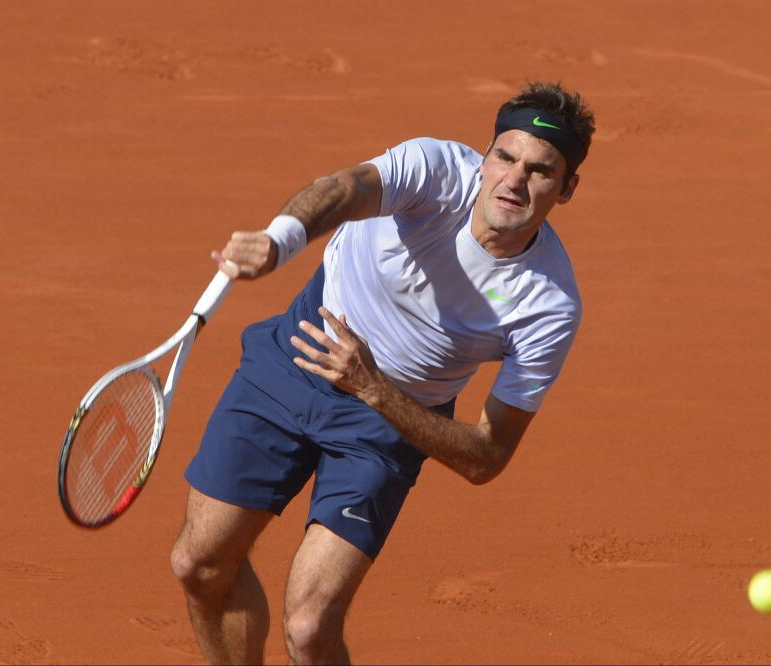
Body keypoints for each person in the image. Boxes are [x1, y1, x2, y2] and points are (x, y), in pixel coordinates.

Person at [170, 81, 595, 664]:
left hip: (386, 424)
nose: (515, 181)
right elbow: (343, 190)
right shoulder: (435, 168)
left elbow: (486, 457)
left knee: (311, 626)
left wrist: (373, 389)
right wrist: (279, 241)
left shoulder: (548, 303)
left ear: (567, 188)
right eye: (505, 157)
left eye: (541, 171)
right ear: (486, 153)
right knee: (199, 564)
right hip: (295, 355)